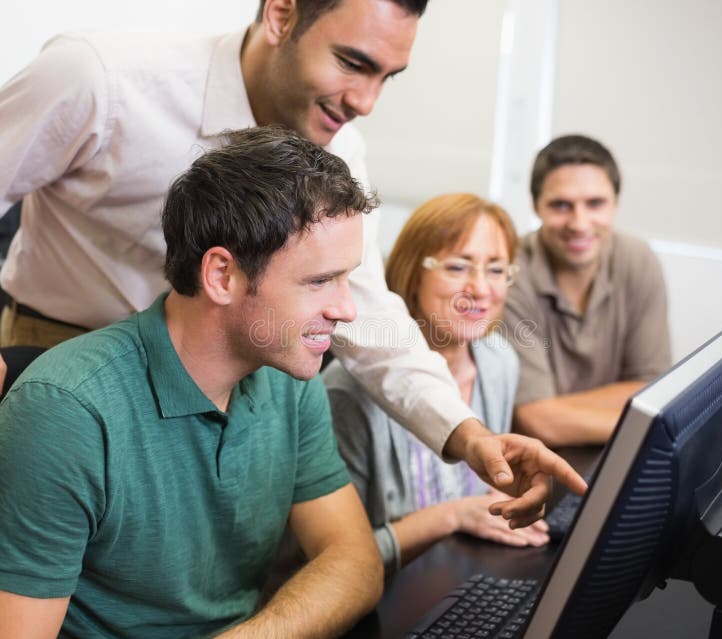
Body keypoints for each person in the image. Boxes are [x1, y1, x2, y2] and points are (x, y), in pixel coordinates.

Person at [0, 0, 579, 525]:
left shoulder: (338, 145)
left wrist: (469, 435)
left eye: (387, 77)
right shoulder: (101, 78)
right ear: (280, 15)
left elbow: (371, 314)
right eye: (353, 62)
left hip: (221, 390)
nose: (366, 102)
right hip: (55, 362)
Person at [0, 126, 386, 638]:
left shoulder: (290, 378)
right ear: (222, 276)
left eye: (345, 278)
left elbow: (355, 561)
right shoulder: (66, 412)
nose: (345, 309)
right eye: (319, 281)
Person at [325, 194, 551, 575]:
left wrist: (501, 501)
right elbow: (330, 565)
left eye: (496, 270)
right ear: (413, 274)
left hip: (463, 573)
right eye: (459, 267)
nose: (480, 289)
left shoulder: (498, 361)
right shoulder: (347, 392)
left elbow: (483, 492)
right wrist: (454, 517)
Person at [504, 134, 672, 447]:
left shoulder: (638, 260)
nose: (579, 223)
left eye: (595, 203)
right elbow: (537, 422)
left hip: (611, 456)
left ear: (615, 205)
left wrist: (553, 410)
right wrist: (654, 429)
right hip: (531, 461)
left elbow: (653, 388)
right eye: (561, 205)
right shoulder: (505, 272)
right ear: (535, 206)